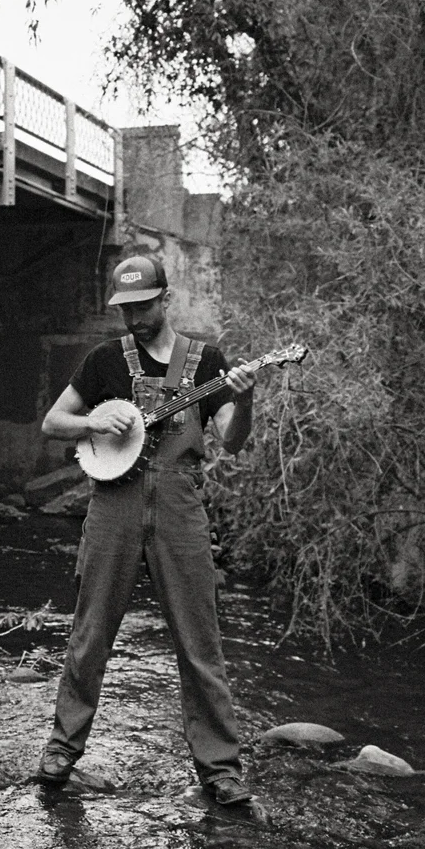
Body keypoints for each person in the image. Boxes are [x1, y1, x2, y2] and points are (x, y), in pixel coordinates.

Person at [34, 253, 259, 806]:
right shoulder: (104, 360)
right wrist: (90, 421)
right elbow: (51, 422)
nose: (132, 317)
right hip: (114, 504)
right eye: (124, 308)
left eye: (141, 306)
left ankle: (220, 769)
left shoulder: (208, 363)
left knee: (198, 641)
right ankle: (63, 748)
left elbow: (231, 441)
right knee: (90, 632)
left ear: (165, 298)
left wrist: (246, 394)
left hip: (181, 505)